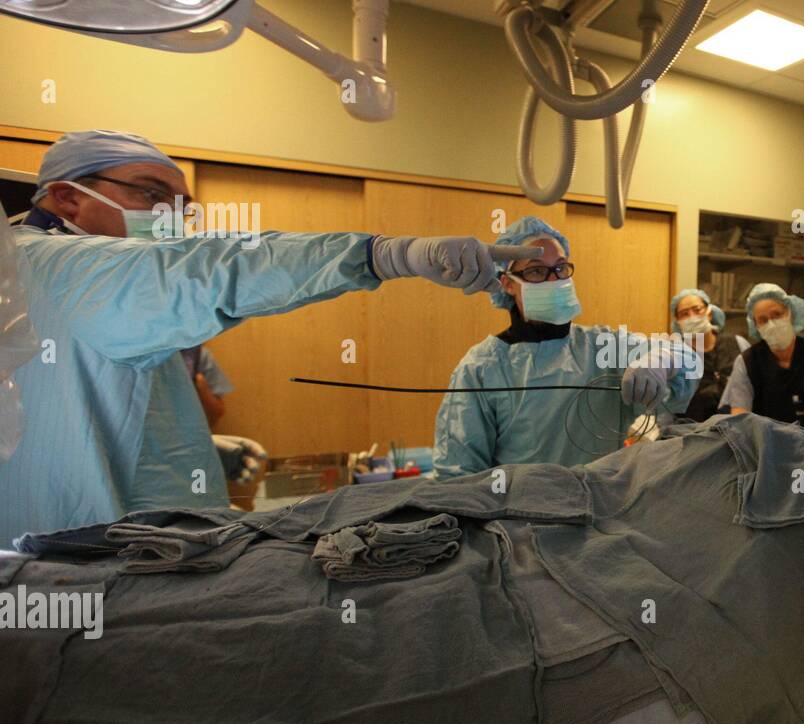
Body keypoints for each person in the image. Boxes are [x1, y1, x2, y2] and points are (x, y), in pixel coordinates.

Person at [0, 129, 500, 544]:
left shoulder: (25, 271)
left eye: (181, 206)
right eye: (151, 195)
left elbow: (83, 409)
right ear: (65, 196)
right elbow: (218, 268)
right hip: (98, 563)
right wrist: (384, 255)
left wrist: (205, 450)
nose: (169, 219)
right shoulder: (67, 264)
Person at [430, 217, 698, 478]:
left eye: (560, 268)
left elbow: (688, 361)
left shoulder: (602, 347)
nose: (554, 280)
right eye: (536, 271)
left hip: (602, 514)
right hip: (519, 520)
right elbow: (459, 476)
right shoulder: (481, 368)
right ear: (507, 283)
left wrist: (662, 360)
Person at [720, 282, 804, 436]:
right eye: (763, 320)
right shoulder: (748, 362)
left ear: (790, 313)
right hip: (766, 448)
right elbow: (740, 423)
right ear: (755, 326)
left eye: (777, 315)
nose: (772, 324)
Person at [670, 287, 747, 421]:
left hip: (736, 432)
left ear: (709, 313)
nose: (692, 317)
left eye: (697, 310)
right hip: (692, 434)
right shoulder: (675, 356)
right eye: (684, 314)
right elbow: (666, 407)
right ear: (678, 322)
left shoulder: (737, 344)